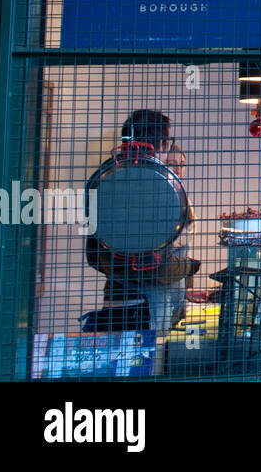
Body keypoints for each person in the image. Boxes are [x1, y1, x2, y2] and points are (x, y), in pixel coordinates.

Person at [85, 109, 199, 333]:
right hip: (148, 310)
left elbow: (95, 257)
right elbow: (160, 270)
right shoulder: (159, 185)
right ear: (163, 143)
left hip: (115, 302)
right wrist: (190, 267)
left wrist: (123, 266)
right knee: (147, 365)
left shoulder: (103, 177)